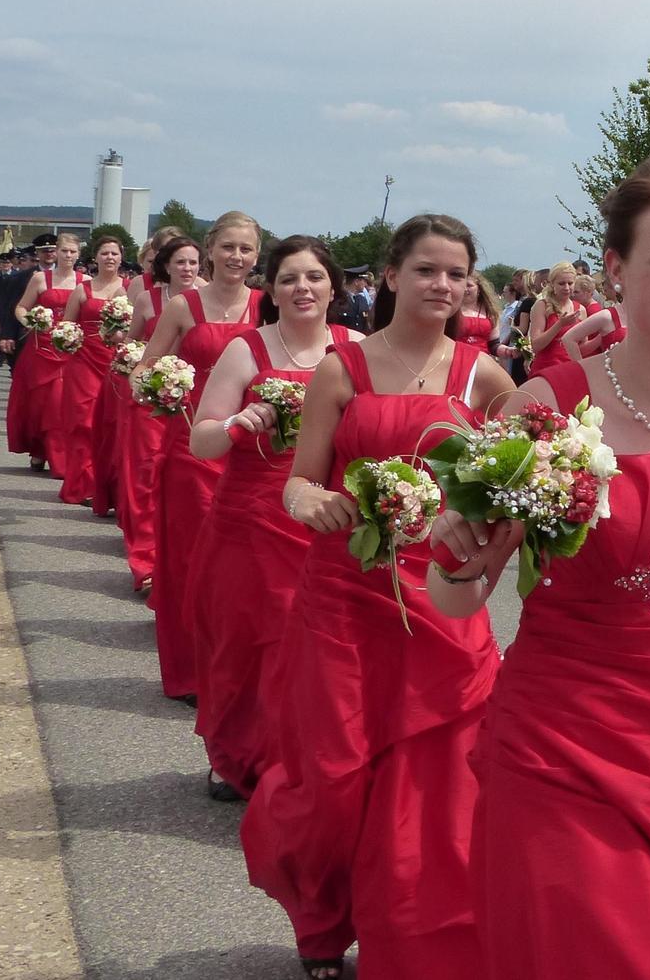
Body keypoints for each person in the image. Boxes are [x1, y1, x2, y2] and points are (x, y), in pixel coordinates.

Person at [426, 149, 650, 979]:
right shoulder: (546, 408)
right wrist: (455, 556)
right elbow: (457, 597)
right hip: (566, 746)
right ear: (615, 271)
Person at [244, 214, 512, 980]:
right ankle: (322, 919)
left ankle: (415, 938)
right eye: (427, 269)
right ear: (391, 275)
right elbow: (302, 475)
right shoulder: (343, 368)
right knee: (331, 775)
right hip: (341, 595)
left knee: (435, 783)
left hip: (440, 600)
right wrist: (305, 502)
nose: (443, 285)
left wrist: (486, 526)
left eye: (456, 272)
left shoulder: (483, 377)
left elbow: (517, 481)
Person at [184, 236, 353, 802]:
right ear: (272, 290)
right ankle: (234, 753)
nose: (302, 288)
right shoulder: (246, 350)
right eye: (288, 279)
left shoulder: (356, 350)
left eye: (314, 278)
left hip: (324, 519)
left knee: (312, 648)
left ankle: (298, 760)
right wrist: (240, 421)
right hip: (250, 518)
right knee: (242, 642)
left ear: (333, 287)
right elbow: (201, 441)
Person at [139, 212, 263, 702]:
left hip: (253, 449)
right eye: (228, 247)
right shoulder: (183, 306)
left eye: (247, 249)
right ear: (210, 250)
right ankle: (192, 669)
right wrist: (162, 388)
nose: (237, 257)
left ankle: (241, 666)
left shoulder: (267, 304)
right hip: (192, 444)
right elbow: (143, 368)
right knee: (191, 560)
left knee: (243, 567)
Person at [114, 235, 202, 595]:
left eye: (193, 262)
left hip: (201, 404)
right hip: (157, 401)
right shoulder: (147, 300)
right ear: (166, 265)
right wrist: (140, 377)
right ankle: (146, 561)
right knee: (148, 477)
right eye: (180, 262)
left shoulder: (208, 297)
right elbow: (137, 346)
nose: (187, 269)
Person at [54, 236, 131, 506]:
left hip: (117, 362)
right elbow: (66, 325)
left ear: (121, 258)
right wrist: (69, 339)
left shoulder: (131, 290)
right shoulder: (82, 290)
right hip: (84, 360)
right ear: (95, 258)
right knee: (83, 423)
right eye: (105, 253)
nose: (110, 257)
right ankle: (82, 484)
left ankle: (108, 486)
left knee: (112, 426)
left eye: (115, 253)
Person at [4, 233, 84, 473]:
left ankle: (63, 456)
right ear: (56, 253)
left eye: (73, 251)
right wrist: (32, 322)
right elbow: (20, 307)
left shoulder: (85, 282)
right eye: (64, 251)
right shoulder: (40, 279)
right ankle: (39, 449)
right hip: (42, 347)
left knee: (63, 402)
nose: (68, 255)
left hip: (72, 349)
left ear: (79, 254)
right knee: (41, 402)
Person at [525, 261, 584, 378]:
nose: (567, 287)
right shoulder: (542, 306)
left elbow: (583, 346)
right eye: (561, 283)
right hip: (547, 369)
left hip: (570, 369)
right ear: (552, 284)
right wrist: (559, 325)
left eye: (570, 283)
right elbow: (536, 345)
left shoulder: (580, 309)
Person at [455, 274, 501, 353]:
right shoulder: (451, 311)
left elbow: (493, 345)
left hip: (482, 360)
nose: (465, 289)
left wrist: (506, 350)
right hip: (456, 357)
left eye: (469, 285)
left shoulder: (489, 312)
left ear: (479, 289)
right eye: (462, 285)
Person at [338, 268, 374, 334]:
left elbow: (365, 323)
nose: (365, 284)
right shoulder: (339, 300)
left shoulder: (362, 299)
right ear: (356, 282)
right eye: (364, 281)